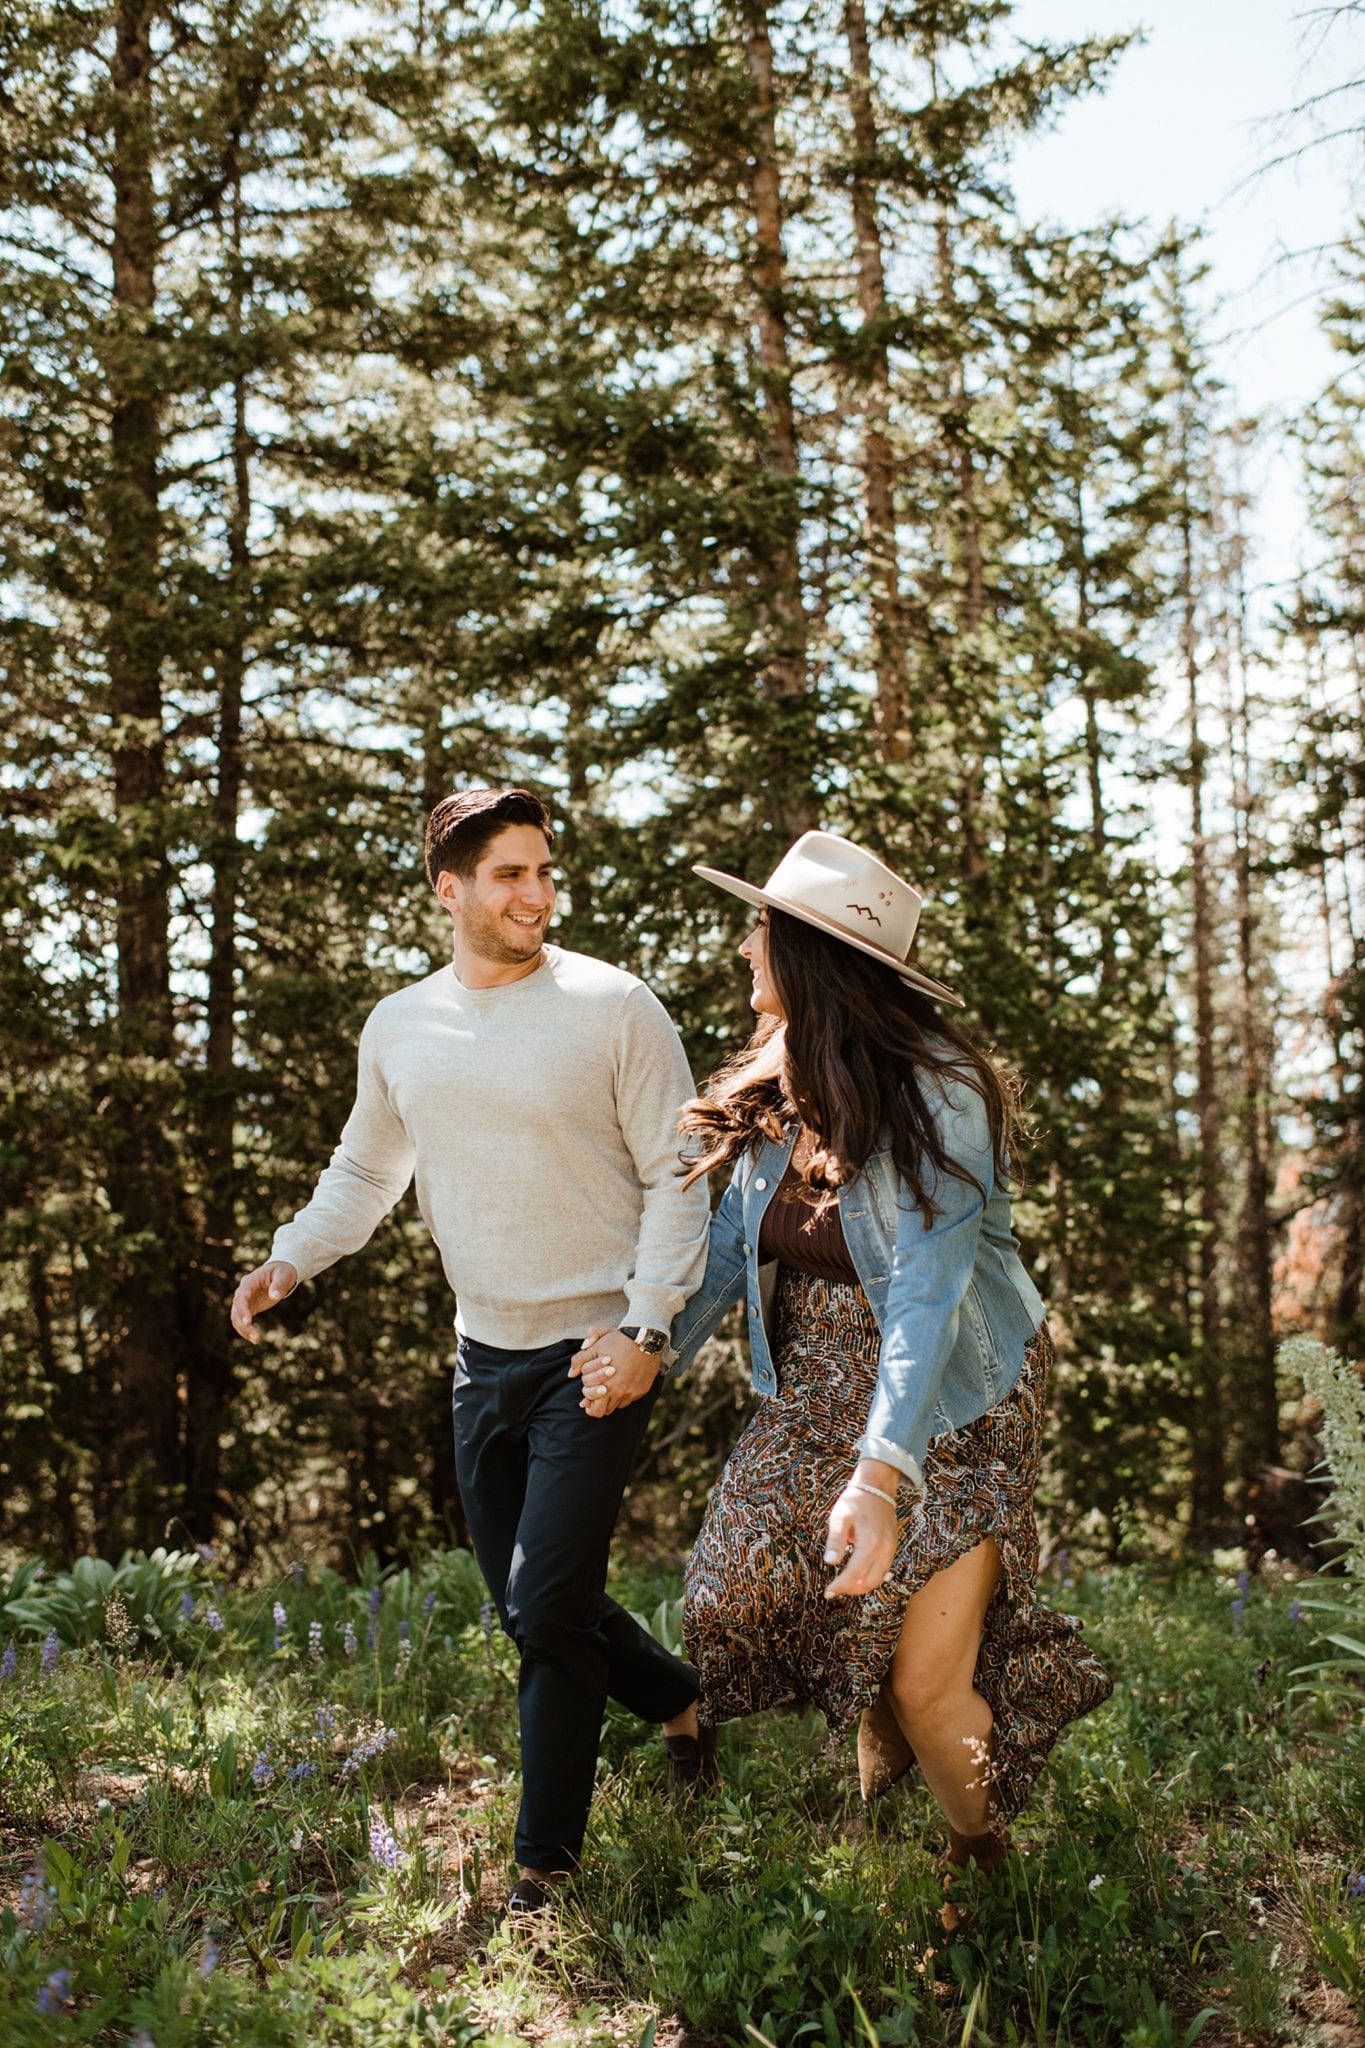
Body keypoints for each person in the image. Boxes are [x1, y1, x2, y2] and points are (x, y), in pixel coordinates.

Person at [580, 830, 1111, 1923]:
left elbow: (924, 1299)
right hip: (812, 1369)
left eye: (760, 929)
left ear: (815, 956)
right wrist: (651, 1346)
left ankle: (985, 1860)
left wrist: (878, 1476)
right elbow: (729, 1251)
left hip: (958, 1384)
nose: (742, 947)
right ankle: (882, 1691)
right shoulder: (776, 1087)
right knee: (724, 1594)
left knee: (925, 1679)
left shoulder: (944, 1093)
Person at [230, 787, 713, 1914]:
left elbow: (678, 1172)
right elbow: (366, 1170)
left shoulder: (615, 1005)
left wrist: (647, 1328)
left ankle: (546, 1867)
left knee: (547, 1606)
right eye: (510, 874)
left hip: (598, 1348)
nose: (537, 892)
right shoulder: (401, 1023)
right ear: (448, 888)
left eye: (545, 870)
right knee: (529, 1601)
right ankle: (684, 1704)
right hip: (481, 1355)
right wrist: (291, 1257)